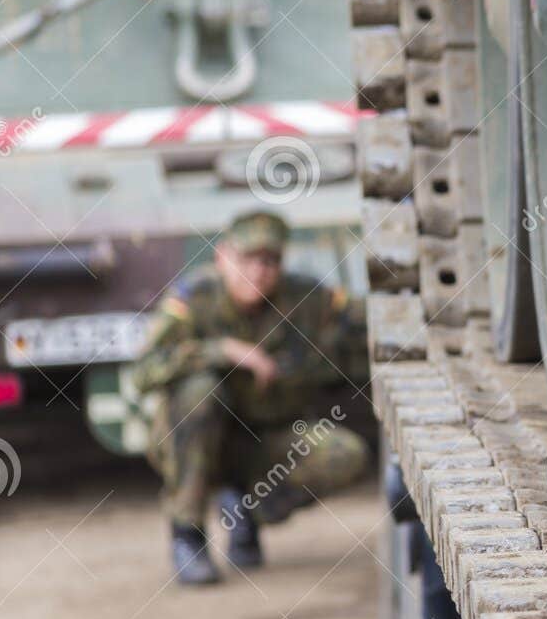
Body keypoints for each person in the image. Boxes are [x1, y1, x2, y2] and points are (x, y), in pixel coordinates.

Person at [131, 210, 369, 585]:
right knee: (199, 391)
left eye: (270, 262)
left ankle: (249, 510)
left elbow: (368, 320)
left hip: (267, 443)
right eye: (247, 261)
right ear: (222, 257)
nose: (258, 272)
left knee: (345, 453)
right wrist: (221, 351)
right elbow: (143, 371)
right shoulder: (195, 301)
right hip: (199, 444)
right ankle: (187, 534)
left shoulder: (304, 298)